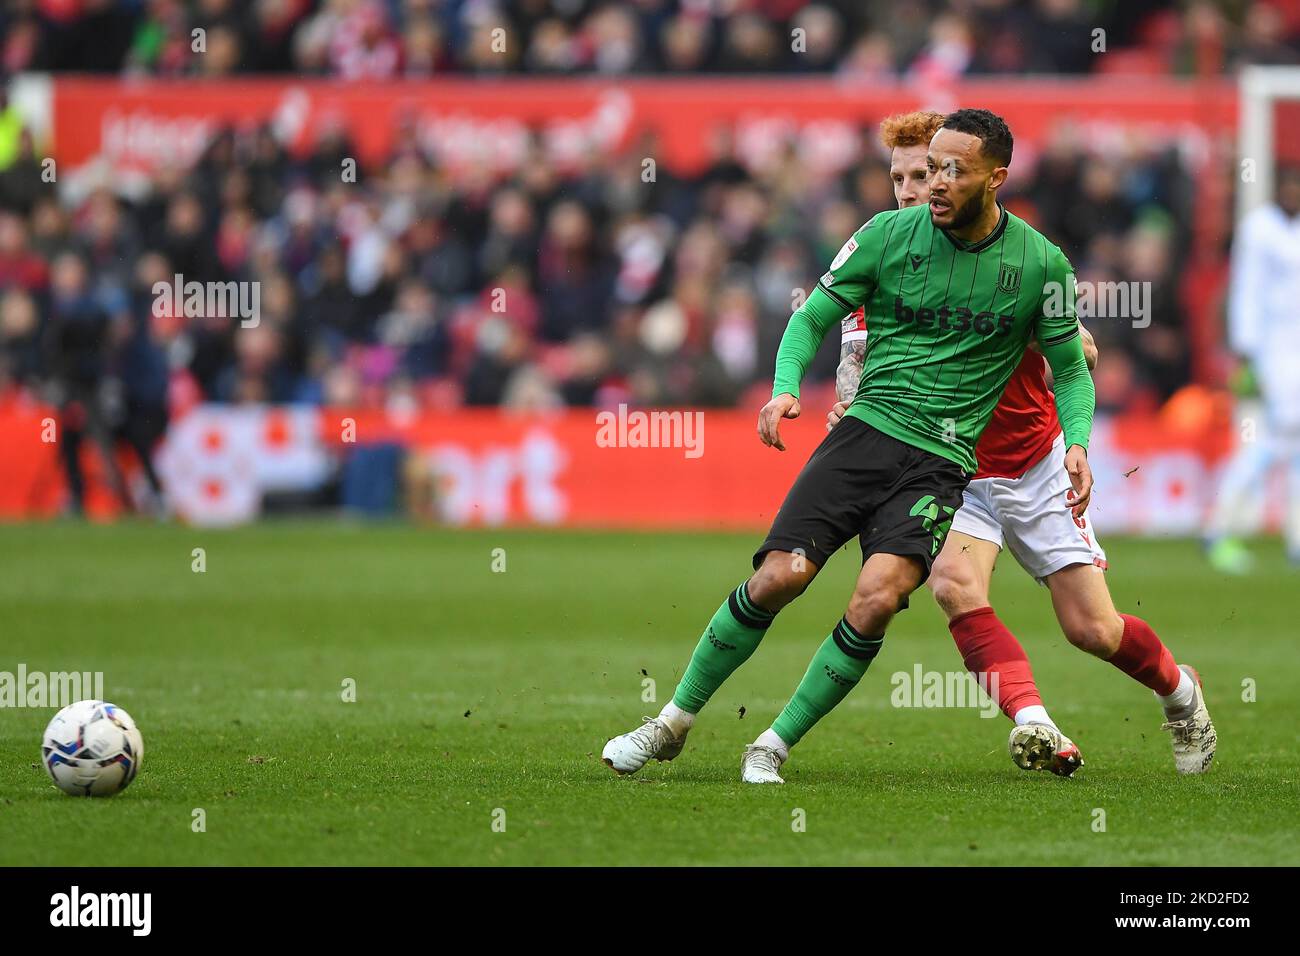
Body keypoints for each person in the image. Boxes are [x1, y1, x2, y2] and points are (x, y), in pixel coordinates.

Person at [603, 109, 1099, 784]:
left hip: (941, 466)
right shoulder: (886, 237)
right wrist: (782, 388)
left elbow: (1070, 368)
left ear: (996, 177)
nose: (933, 185)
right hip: (864, 438)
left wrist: (1077, 443)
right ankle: (669, 724)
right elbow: (811, 317)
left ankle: (770, 745)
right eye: (928, 170)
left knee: (876, 598)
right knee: (783, 576)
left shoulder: (1042, 264)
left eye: (952, 170)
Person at [830, 111, 1214, 777]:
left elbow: (1077, 354)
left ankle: (1180, 692)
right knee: (953, 584)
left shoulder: (1016, 260)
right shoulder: (886, 259)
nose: (914, 189)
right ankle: (1035, 723)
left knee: (1092, 630)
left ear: (975, 180)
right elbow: (852, 352)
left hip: (1033, 464)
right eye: (900, 178)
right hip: (953, 469)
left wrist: (1076, 421)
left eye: (930, 173)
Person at [1205, 164, 1300, 573]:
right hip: (1272, 349)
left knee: (1287, 444)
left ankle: (1292, 538)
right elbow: (1246, 289)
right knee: (1281, 435)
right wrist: (1244, 352)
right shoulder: (1259, 228)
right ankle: (1219, 527)